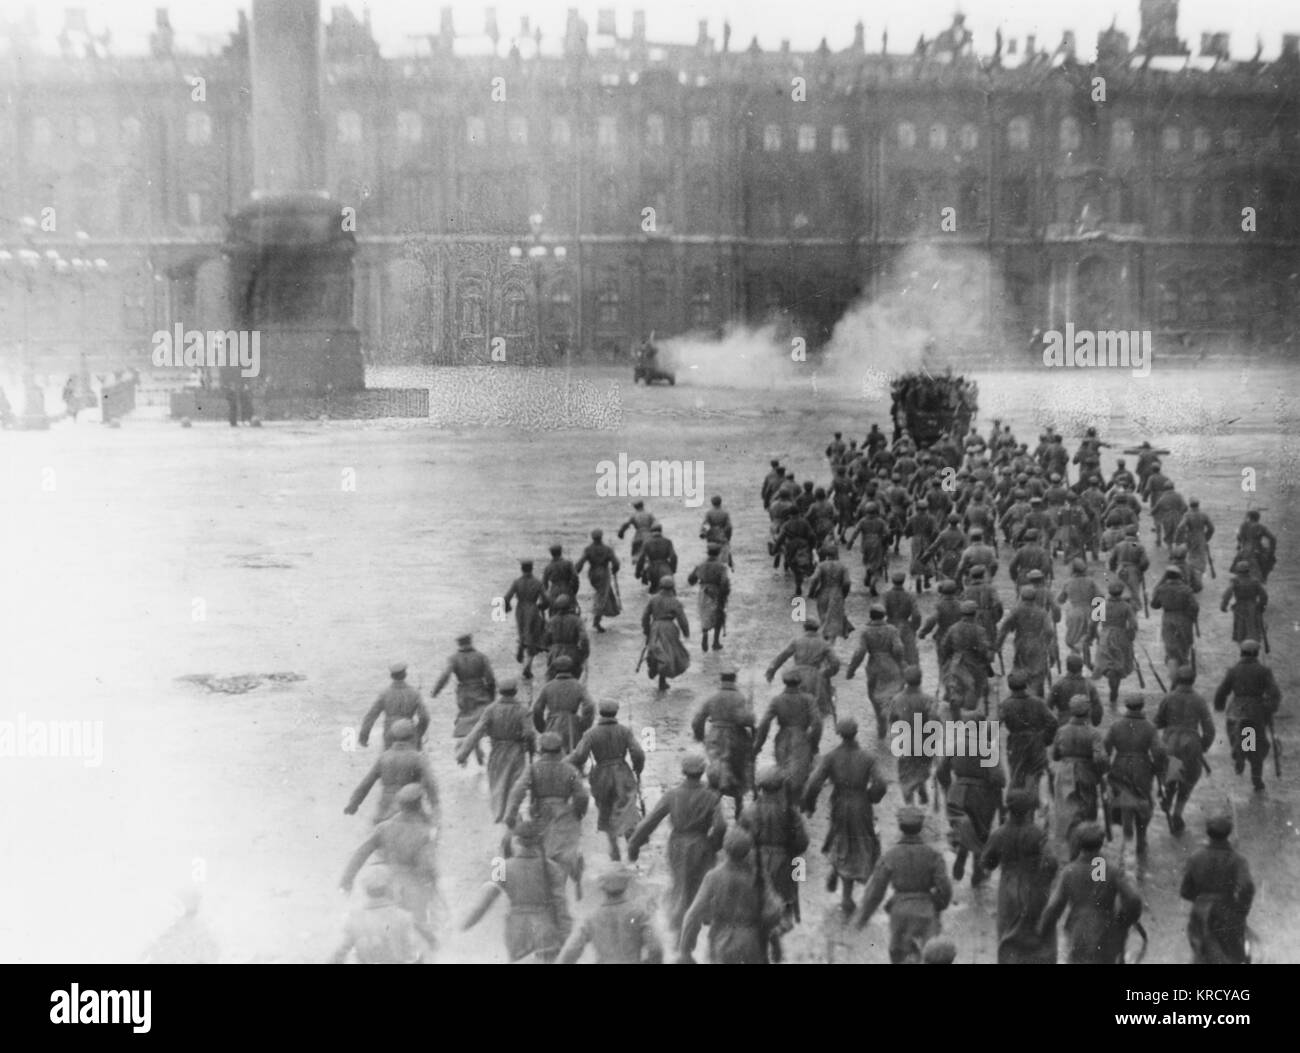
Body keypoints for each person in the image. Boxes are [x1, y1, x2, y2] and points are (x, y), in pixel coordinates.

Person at [627, 754, 728, 937]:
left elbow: (650, 821)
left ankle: (676, 928)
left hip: (678, 845)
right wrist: (714, 844)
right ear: (702, 772)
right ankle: (701, 925)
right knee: (701, 885)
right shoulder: (712, 797)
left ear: (683, 772)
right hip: (702, 844)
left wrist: (634, 844)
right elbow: (721, 825)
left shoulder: (672, 795)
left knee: (681, 885)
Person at [801, 717, 889, 915]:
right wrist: (871, 797)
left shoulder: (831, 757)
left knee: (839, 836)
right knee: (863, 842)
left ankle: (838, 869)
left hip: (839, 804)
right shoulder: (867, 758)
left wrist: (809, 805)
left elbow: (813, 783)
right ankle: (846, 894)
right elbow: (881, 784)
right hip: (861, 805)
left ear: (839, 734)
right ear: (856, 733)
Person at [340, 783, 441, 946]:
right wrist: (433, 887)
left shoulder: (384, 827)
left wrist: (347, 879)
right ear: (419, 804)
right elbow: (426, 867)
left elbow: (361, 852)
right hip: (412, 888)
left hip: (386, 883)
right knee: (416, 934)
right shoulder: (424, 832)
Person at [460, 820, 571, 963]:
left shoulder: (502, 868)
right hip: (545, 929)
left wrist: (465, 924)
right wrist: (566, 936)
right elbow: (561, 905)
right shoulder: (552, 868)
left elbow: (485, 902)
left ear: (516, 841)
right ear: (539, 841)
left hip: (517, 930)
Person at [853, 805, 952, 964]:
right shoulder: (933, 855)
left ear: (900, 827)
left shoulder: (891, 855)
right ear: (920, 827)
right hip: (926, 912)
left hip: (900, 913)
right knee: (930, 957)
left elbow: (875, 891)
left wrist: (863, 918)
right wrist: (937, 904)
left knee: (899, 957)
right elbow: (945, 888)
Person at [679, 828, 787, 964]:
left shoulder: (713, 877)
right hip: (752, 942)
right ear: (748, 851)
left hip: (721, 941)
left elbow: (693, 914)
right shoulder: (759, 877)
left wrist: (685, 950)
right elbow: (774, 910)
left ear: (725, 849)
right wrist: (773, 939)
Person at [1038, 823, 1142, 964]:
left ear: (1079, 844)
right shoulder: (1111, 870)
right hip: (1106, 930)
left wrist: (1042, 929)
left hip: (1078, 930)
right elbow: (1134, 898)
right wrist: (1125, 920)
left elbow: (1054, 906)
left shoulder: (1069, 872)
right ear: (1101, 843)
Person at [504, 732, 589, 897]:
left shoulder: (533, 768)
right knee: (565, 853)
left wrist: (511, 813)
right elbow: (582, 796)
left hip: (542, 814)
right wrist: (578, 812)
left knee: (543, 853)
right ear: (560, 750)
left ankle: (546, 892)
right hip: (565, 814)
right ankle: (571, 876)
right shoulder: (570, 769)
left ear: (541, 749)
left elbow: (518, 790)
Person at [980, 788, 1060, 964]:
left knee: (1007, 934)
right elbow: (1052, 862)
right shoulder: (1037, 833)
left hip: (1008, 888)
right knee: (1038, 933)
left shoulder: (999, 834)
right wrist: (1045, 881)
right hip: (1033, 886)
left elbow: (986, 864)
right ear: (1028, 810)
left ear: (1008, 809)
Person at [740, 766, 811, 961]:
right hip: (784, 864)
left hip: (757, 864)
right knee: (782, 905)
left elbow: (740, 843)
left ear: (760, 788)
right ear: (780, 787)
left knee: (758, 907)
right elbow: (802, 842)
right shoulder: (790, 812)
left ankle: (763, 947)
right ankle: (775, 940)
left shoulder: (749, 812)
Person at [566, 701, 645, 861]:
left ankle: (613, 846)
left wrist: (564, 762)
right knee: (627, 808)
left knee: (606, 810)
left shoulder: (591, 734)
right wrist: (637, 768)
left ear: (600, 713)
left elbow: (580, 756)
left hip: (601, 776)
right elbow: (638, 752)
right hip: (622, 773)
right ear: (615, 713)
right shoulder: (625, 731)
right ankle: (631, 841)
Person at [455, 679, 535, 823]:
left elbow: (476, 732)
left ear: (500, 692)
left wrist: (462, 754)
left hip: (497, 753)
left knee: (497, 788)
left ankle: (499, 819)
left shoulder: (491, 710)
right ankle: (512, 820)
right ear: (515, 692)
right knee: (514, 788)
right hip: (517, 753)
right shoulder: (523, 711)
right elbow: (529, 734)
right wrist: (531, 751)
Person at [1180, 815, 1255, 964]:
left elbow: (1185, 890)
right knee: (1235, 955)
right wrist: (1241, 910)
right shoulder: (1238, 859)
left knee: (1200, 952)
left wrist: (1201, 899)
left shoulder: (1196, 857)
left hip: (1200, 913)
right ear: (1228, 833)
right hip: (1228, 912)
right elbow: (1247, 888)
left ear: (1208, 833)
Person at [1213, 639, 1281, 793]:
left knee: (1236, 735)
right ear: (1256, 653)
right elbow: (1274, 693)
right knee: (1257, 746)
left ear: (1241, 653)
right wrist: (1269, 707)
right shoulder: (1264, 671)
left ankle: (1239, 752)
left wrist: (1219, 705)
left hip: (1236, 709)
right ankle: (1256, 777)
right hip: (1256, 711)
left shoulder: (1233, 670)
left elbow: (1222, 690)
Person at [558, 866, 663, 964]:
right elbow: (656, 948)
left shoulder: (592, 918)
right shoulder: (639, 914)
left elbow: (570, 952)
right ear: (626, 885)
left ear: (602, 888)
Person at [1154, 667, 1215, 835]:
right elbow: (1209, 729)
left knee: (1172, 775)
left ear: (1177, 680)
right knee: (1188, 780)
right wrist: (1202, 746)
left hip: (1171, 744)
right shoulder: (1199, 700)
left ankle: (1168, 795)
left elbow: (1157, 722)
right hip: (1191, 744)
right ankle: (1178, 813)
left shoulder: (1168, 697)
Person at [1104, 695, 1167, 856]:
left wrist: (1107, 766)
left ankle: (1126, 836)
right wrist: (1156, 768)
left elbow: (1106, 748)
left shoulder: (1116, 725)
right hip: (1142, 768)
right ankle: (1142, 836)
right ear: (1142, 706)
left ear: (1126, 706)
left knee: (1122, 797)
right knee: (1143, 800)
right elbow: (1159, 751)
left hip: (1120, 765)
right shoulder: (1150, 727)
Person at [936, 741, 1006, 886]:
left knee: (964, 828)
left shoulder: (956, 746)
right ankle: (977, 872)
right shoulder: (987, 748)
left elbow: (941, 771)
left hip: (957, 794)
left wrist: (949, 787)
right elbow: (998, 778)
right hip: (981, 796)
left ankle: (962, 852)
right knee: (980, 833)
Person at [343, 718, 439, 823]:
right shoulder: (418, 758)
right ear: (413, 737)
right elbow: (431, 785)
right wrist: (435, 809)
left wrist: (353, 803)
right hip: (408, 810)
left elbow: (366, 783)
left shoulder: (383, 758)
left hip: (384, 810)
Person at [692, 665, 756, 820]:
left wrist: (700, 735)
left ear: (721, 679)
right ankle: (738, 805)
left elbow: (698, 719)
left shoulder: (712, 697)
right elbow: (746, 720)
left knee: (717, 770)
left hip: (714, 738)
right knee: (737, 770)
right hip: (736, 737)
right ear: (734, 679)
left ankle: (713, 806)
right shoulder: (740, 697)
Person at [753, 668, 823, 799]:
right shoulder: (808, 699)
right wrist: (814, 744)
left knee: (783, 773)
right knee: (799, 778)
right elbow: (817, 723)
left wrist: (758, 745)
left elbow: (764, 723)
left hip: (782, 740)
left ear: (785, 682)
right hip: (801, 740)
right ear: (800, 683)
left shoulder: (777, 700)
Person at [332, 868, 425, 964]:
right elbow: (412, 953)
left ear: (367, 891)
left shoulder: (354, 919)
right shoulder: (403, 917)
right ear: (388, 890)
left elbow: (339, 954)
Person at [1050, 696, 1109, 847]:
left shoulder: (1061, 731)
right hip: (1086, 774)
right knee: (1087, 812)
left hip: (1065, 774)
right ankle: (1086, 845)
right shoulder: (1094, 733)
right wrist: (1100, 773)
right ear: (1088, 711)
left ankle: (1069, 846)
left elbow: (1055, 756)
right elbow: (1100, 759)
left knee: (1066, 812)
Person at [431, 633, 496, 763]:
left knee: (467, 720)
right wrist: (492, 695)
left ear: (459, 644)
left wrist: (436, 690)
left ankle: (473, 746)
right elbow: (490, 678)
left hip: (464, 694)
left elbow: (445, 675)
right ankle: (476, 747)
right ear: (470, 641)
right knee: (481, 719)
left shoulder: (454, 659)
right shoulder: (481, 657)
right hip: (480, 691)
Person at [845, 605, 906, 740]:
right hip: (892, 667)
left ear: (870, 616)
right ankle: (896, 729)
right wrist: (901, 663)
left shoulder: (865, 632)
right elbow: (899, 648)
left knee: (875, 698)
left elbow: (859, 652)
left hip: (874, 668)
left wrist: (851, 670)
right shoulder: (892, 630)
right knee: (893, 696)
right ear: (883, 616)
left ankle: (881, 729)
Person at [765, 617, 841, 722]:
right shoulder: (824, 643)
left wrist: (771, 670)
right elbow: (835, 663)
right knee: (816, 709)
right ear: (817, 629)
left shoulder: (797, 641)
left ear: (804, 628)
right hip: (815, 678)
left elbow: (783, 656)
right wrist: (826, 673)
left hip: (797, 676)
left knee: (793, 706)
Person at [998, 671, 1057, 793]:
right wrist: (1045, 739)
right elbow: (1053, 722)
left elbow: (994, 725)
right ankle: (1043, 804)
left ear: (1010, 687)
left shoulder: (1006, 705)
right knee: (1040, 774)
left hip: (1016, 744)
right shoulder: (1038, 702)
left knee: (1017, 775)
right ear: (1026, 685)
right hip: (1036, 742)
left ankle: (1021, 805)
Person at [888, 666, 939, 805]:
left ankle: (910, 808)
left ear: (905, 680)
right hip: (926, 744)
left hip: (905, 745)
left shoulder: (897, 700)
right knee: (922, 769)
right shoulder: (929, 699)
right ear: (921, 680)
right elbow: (936, 722)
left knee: (906, 778)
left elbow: (892, 721)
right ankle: (921, 787)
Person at [995, 587, 1056, 698]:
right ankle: (1038, 700)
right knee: (1038, 674)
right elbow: (1049, 631)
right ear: (1035, 598)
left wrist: (998, 645)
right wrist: (1048, 647)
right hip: (1038, 644)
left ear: (1022, 597)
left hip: (1021, 644)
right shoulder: (1042, 612)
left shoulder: (1016, 611)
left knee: (1021, 672)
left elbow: (1004, 629)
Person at [358, 662, 430, 750]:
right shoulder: (414, 693)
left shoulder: (385, 694)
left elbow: (371, 716)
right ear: (405, 674)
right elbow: (425, 717)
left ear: (391, 676)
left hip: (390, 731)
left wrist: (364, 736)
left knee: (389, 760)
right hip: (409, 731)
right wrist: (418, 733)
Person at [532, 655, 595, 754]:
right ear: (572, 669)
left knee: (551, 756)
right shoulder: (578, 686)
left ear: (555, 669)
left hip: (552, 726)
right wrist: (582, 725)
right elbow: (590, 705)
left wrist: (542, 727)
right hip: (572, 727)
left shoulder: (548, 687)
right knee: (573, 760)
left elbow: (537, 709)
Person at [641, 575, 691, 692]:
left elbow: (645, 616)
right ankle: (661, 680)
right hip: (669, 628)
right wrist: (686, 631)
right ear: (672, 587)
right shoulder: (675, 601)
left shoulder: (653, 599)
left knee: (655, 650)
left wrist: (646, 630)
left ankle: (655, 670)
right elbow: (682, 619)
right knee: (667, 653)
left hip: (655, 627)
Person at [1094, 581, 1139, 708]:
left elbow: (1093, 624)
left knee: (1105, 664)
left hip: (1105, 635)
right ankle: (1114, 690)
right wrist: (1131, 636)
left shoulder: (1102, 605)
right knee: (1118, 665)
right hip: (1121, 637)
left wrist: (1094, 636)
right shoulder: (1126, 606)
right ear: (1121, 592)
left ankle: (1110, 680)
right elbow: (1134, 625)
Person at [504, 560, 549, 679]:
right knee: (534, 638)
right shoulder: (537, 582)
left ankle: (521, 645)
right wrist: (542, 606)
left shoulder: (517, 582)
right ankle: (527, 667)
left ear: (522, 569)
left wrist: (507, 608)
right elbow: (546, 599)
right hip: (532, 609)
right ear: (532, 568)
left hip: (520, 610)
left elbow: (506, 597)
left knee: (522, 632)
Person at [1151, 566, 1199, 672]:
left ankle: (1173, 669)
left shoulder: (1162, 588)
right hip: (1184, 620)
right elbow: (1194, 607)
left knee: (1170, 647)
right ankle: (1183, 669)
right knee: (1184, 646)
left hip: (1168, 619)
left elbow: (1154, 605)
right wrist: (1192, 618)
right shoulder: (1187, 590)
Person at [1057, 560, 1102, 669]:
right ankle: (1085, 663)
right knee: (1086, 638)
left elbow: (1060, 600)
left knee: (1073, 640)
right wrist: (1099, 617)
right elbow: (1100, 598)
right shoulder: (1091, 582)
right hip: (1089, 612)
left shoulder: (1068, 582)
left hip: (1073, 613)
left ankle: (1076, 664)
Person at [687, 542, 730, 653]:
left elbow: (691, 580)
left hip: (703, 592)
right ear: (718, 553)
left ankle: (705, 634)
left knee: (705, 614)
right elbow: (724, 582)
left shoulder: (700, 565)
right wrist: (724, 595)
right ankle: (715, 641)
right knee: (719, 615)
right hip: (716, 592)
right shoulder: (721, 567)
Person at [575, 529, 621, 632]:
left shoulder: (588, 549)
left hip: (593, 574)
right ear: (601, 536)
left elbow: (580, 563)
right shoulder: (607, 549)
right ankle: (596, 621)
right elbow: (616, 563)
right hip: (604, 573)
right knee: (602, 596)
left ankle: (599, 618)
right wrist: (614, 570)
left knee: (603, 594)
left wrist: (574, 574)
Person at [806, 543, 852, 641]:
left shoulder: (821, 565)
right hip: (837, 595)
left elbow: (814, 579)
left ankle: (824, 638)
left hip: (823, 594)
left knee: (823, 618)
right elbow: (847, 582)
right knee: (834, 621)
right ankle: (829, 643)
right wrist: (844, 593)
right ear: (837, 554)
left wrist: (811, 592)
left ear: (826, 555)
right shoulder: (843, 567)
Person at [542, 594, 590, 681]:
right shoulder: (577, 620)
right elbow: (584, 638)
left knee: (552, 680)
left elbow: (545, 640)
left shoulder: (551, 621)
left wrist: (550, 650)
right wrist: (584, 653)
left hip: (554, 653)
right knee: (573, 681)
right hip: (572, 653)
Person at [1220, 562, 1268, 645]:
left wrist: (1223, 605)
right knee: (1253, 628)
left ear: (1238, 571)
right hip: (1253, 607)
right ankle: (1253, 646)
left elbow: (1228, 594)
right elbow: (1264, 596)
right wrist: (1261, 606)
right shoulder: (1255, 581)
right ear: (1248, 571)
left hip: (1240, 607)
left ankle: (1243, 648)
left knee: (1240, 630)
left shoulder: (1235, 581)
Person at [1047, 654, 1103, 725]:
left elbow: (1048, 708)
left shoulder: (1058, 685)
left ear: (1067, 667)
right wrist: (1095, 723)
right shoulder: (1089, 685)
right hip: (1083, 723)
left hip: (1063, 723)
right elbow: (1097, 708)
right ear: (1081, 667)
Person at [1234, 510, 1276, 582]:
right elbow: (1273, 539)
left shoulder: (1243, 525)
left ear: (1249, 517)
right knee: (1269, 562)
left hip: (1243, 552)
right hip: (1256, 552)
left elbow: (1239, 537)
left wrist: (1239, 544)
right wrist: (1271, 551)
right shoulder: (1261, 527)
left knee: (1241, 573)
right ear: (1258, 518)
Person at [636, 525, 679, 593]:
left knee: (652, 590)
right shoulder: (667, 542)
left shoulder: (647, 543)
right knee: (669, 590)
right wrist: (672, 569)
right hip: (665, 568)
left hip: (652, 569)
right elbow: (673, 556)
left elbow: (641, 559)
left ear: (651, 532)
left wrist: (638, 573)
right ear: (661, 531)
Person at [700, 494, 734, 569]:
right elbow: (729, 527)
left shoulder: (709, 513)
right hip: (722, 538)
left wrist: (703, 533)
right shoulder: (725, 513)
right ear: (720, 502)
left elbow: (706, 525)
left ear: (712, 503)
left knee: (712, 558)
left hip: (712, 539)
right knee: (723, 560)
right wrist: (727, 537)